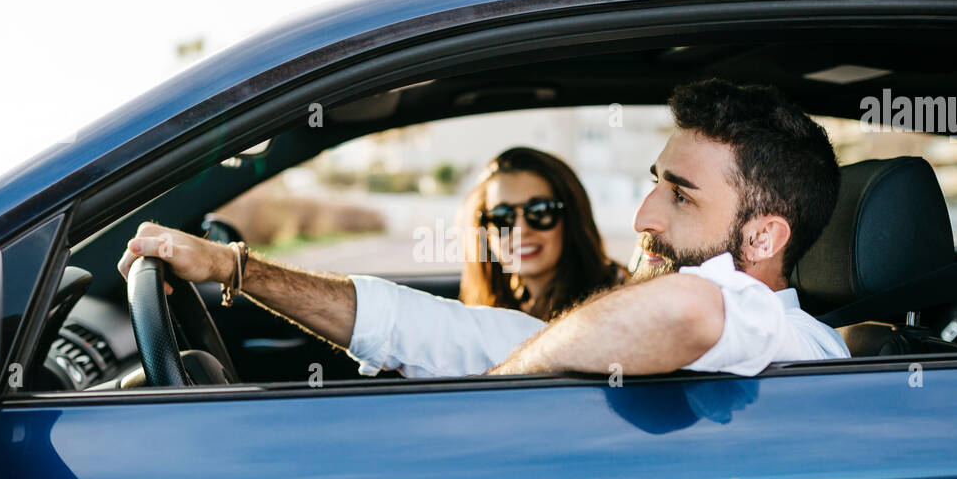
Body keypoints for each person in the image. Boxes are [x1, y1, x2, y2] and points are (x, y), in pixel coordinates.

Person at [117, 78, 851, 380]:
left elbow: (690, 308)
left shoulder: (796, 345)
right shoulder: (653, 328)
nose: (642, 218)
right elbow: (426, 328)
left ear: (763, 239)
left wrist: (504, 390)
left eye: (680, 198)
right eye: (652, 184)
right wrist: (235, 270)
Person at [458, 146, 624, 320]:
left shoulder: (609, 305)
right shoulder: (496, 309)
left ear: (572, 219)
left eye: (539, 211)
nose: (521, 231)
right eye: (502, 217)